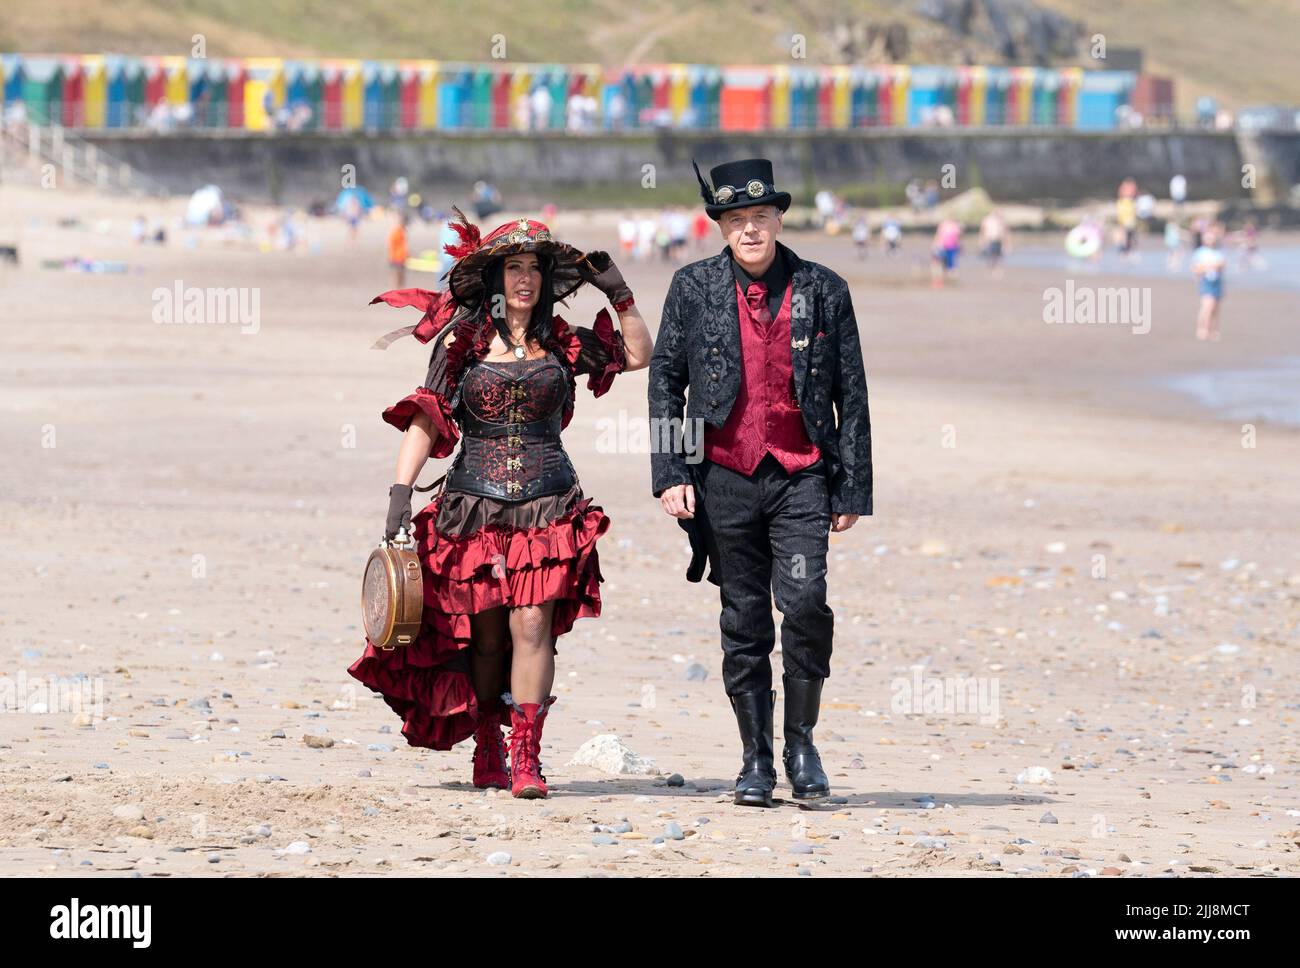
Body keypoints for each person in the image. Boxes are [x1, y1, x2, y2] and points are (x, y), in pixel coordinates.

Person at [350, 213, 654, 798]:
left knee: (534, 623)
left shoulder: (563, 344)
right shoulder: (460, 345)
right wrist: (397, 501)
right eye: (513, 267)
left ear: (544, 279)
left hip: (548, 505)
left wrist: (619, 292)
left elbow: (638, 355)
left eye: (533, 269)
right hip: (472, 508)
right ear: (494, 277)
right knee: (487, 636)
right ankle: (487, 743)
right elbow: (425, 416)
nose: (524, 279)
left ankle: (527, 758)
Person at [649, 158, 872, 808]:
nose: (750, 229)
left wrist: (851, 488)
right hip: (723, 477)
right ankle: (755, 759)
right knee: (743, 619)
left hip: (802, 477)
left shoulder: (824, 289)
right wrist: (671, 471)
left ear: (778, 219)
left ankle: (801, 743)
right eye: (737, 219)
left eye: (760, 217)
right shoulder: (692, 287)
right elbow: (666, 380)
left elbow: (851, 391)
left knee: (804, 604)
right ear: (720, 226)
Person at [1191, 222, 1227, 342]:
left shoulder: (1219, 252)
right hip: (1206, 281)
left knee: (1215, 307)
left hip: (1217, 281)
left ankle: (1213, 329)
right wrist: (1209, 266)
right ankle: (1202, 329)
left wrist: (1211, 266)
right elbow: (1196, 269)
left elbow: (1222, 265)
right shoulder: (1200, 252)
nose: (1210, 240)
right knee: (1207, 306)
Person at [930, 218, 961, 287]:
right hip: (942, 246)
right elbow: (938, 235)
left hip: (951, 247)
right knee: (938, 263)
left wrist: (958, 246)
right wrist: (935, 244)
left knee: (949, 263)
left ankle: (946, 278)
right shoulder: (943, 226)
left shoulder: (955, 226)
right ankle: (939, 280)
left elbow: (958, 237)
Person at [979, 210, 1007, 277]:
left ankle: (994, 267)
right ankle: (992, 267)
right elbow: (983, 230)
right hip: (990, 239)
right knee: (991, 254)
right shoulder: (987, 220)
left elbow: (1004, 230)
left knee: (997, 254)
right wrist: (981, 239)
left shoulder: (999, 220)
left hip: (998, 239)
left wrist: (1005, 241)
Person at [387, 212, 409, 289]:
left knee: (401, 276)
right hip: (396, 257)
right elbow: (392, 245)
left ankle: (400, 290)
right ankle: (394, 290)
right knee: (397, 276)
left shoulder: (401, 231)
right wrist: (392, 257)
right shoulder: (397, 232)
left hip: (401, 257)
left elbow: (403, 245)